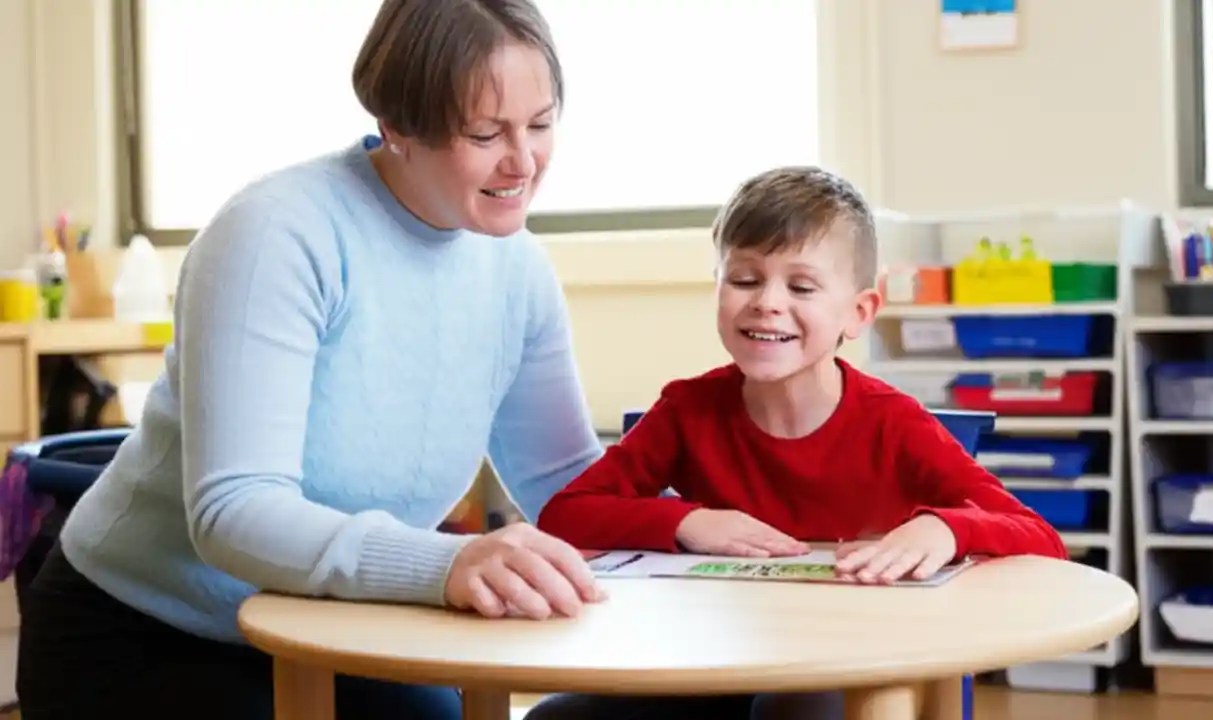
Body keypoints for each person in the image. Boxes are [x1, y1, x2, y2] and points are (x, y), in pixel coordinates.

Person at [15, 1, 608, 718]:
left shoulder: (518, 272)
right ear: (397, 126)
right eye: (485, 133)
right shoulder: (278, 237)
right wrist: (448, 563)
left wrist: (699, 526)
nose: (524, 161)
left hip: (334, 621)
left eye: (540, 124)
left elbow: (570, 486)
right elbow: (234, 510)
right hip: (147, 633)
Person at [528, 166, 1068, 720]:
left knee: (795, 709)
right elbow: (566, 515)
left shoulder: (895, 425)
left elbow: (1041, 537)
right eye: (744, 279)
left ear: (857, 313)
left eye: (802, 286)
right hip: (713, 663)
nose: (767, 302)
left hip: (855, 669)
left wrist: (946, 527)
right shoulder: (687, 410)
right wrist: (689, 523)